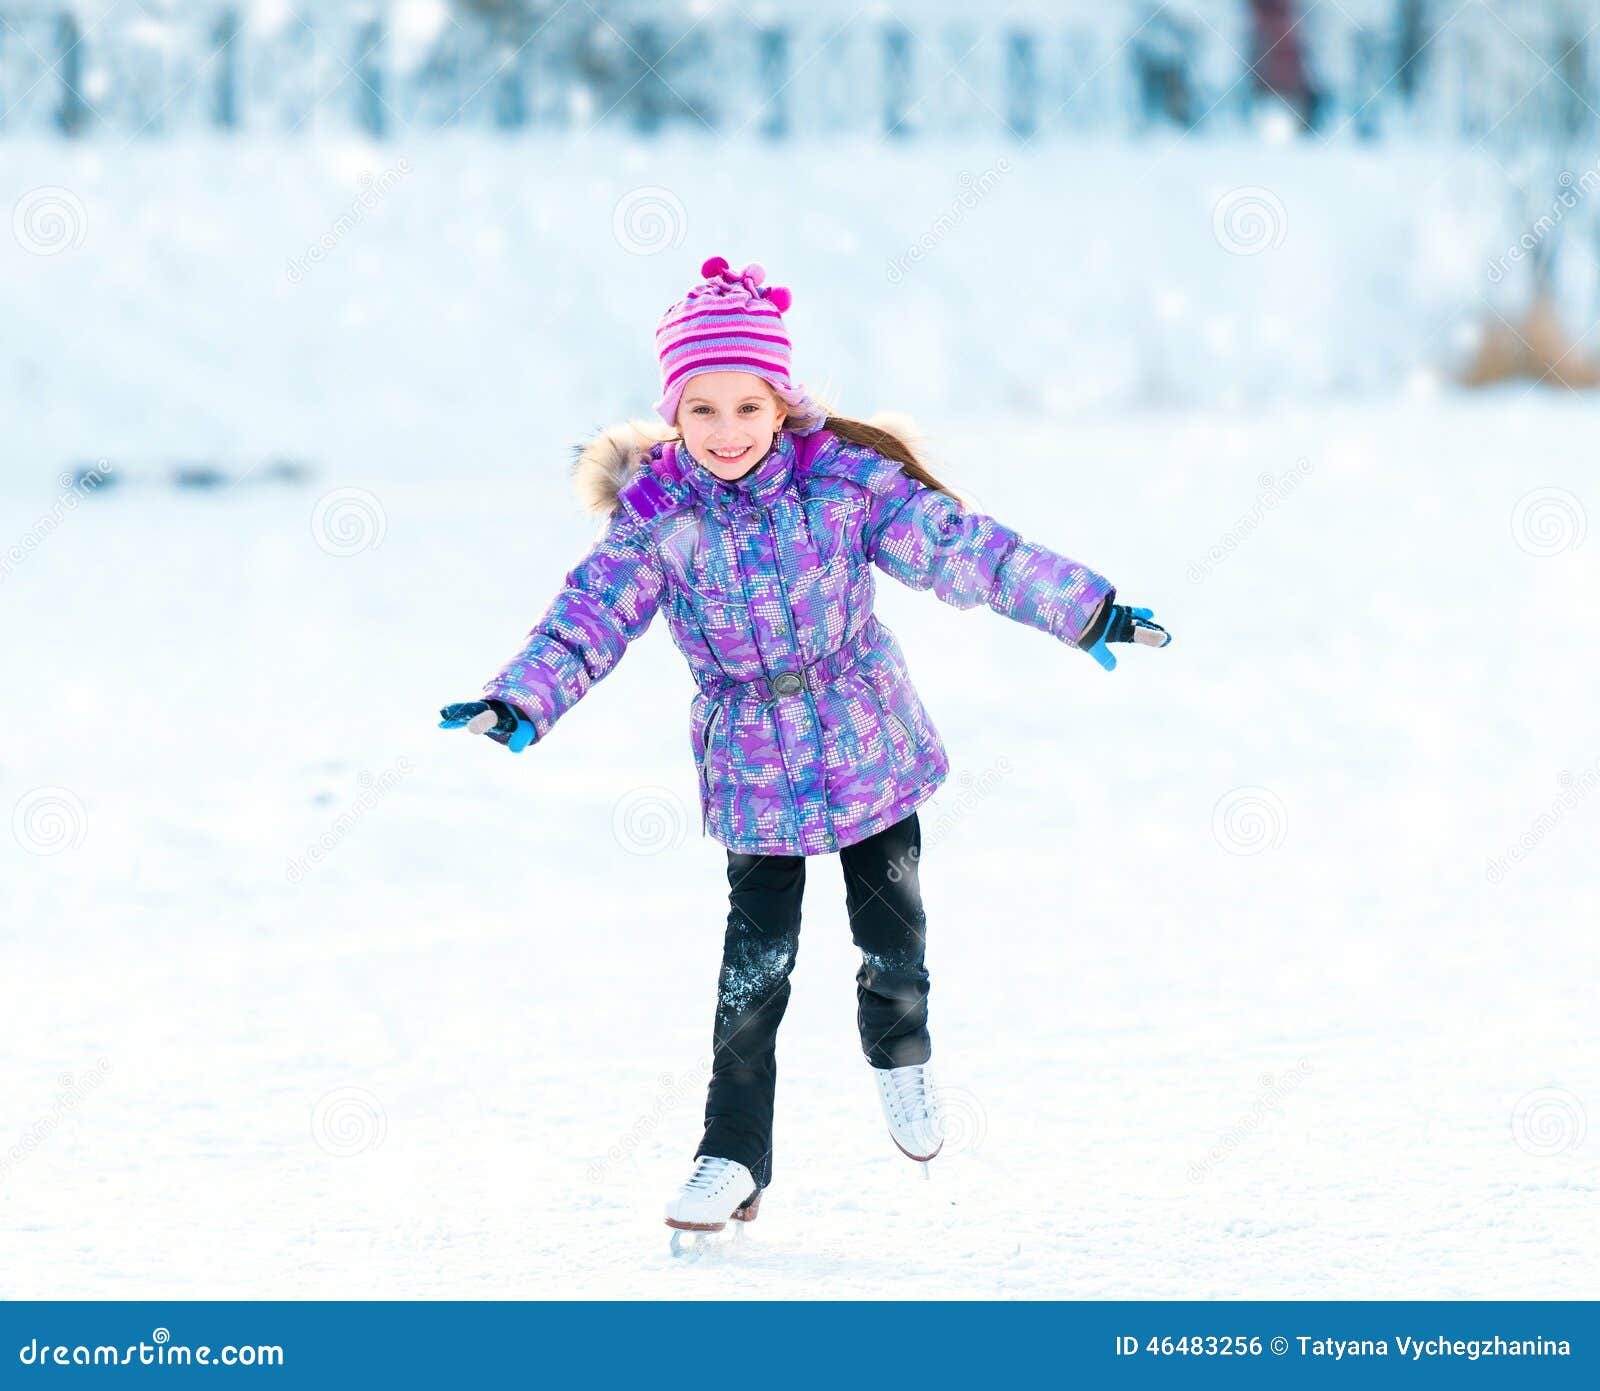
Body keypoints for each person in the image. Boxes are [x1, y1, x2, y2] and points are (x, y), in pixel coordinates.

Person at [439, 255, 1172, 1246]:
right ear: (674, 414)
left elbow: (968, 549)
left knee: (890, 934)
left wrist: (1087, 610)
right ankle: (733, 1149)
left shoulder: (844, 486)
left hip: (866, 733)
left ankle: (899, 1048)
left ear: (780, 405)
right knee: (756, 963)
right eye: (702, 409)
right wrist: (518, 700)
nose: (727, 430)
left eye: (748, 405)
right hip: (752, 760)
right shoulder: (659, 518)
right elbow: (588, 616)